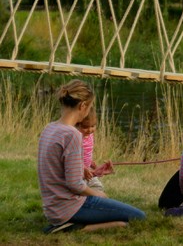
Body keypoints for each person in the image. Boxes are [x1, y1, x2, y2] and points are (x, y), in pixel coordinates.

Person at [37, 80, 145, 233]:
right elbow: (75, 185)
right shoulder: (72, 134)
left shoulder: (49, 128)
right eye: (89, 108)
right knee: (139, 216)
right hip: (70, 208)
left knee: (121, 214)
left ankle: (69, 223)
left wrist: (95, 173)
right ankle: (76, 228)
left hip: (52, 208)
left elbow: (58, 172)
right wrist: (99, 195)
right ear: (82, 106)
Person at [75, 105, 113, 191]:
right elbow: (73, 157)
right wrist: (83, 167)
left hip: (88, 169)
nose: (90, 130)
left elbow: (87, 152)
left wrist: (90, 162)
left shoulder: (90, 136)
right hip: (78, 171)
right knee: (81, 189)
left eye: (93, 126)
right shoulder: (76, 137)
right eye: (85, 127)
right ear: (77, 124)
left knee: (99, 187)